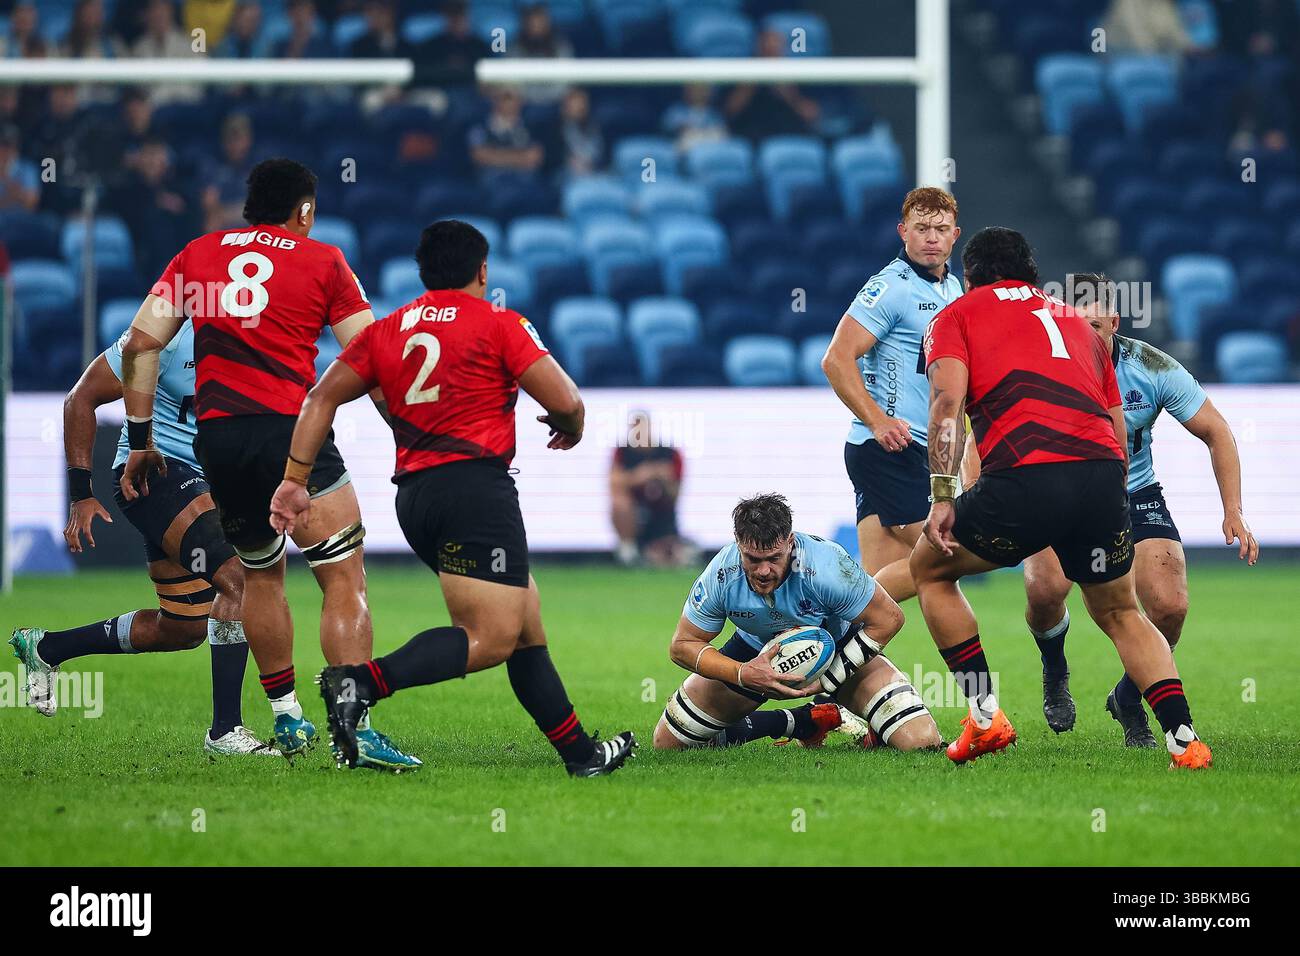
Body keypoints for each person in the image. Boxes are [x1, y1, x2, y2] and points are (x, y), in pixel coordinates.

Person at [269, 219, 636, 778]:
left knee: (524, 622)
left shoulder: (386, 330)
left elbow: (319, 399)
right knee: (490, 638)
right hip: (476, 492)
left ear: (423, 272)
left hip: (416, 498)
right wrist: (572, 424)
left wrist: (295, 478)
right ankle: (359, 682)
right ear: (483, 271)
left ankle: (581, 756)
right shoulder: (500, 323)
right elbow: (566, 398)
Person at [116, 158, 417, 770]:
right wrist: (410, 440)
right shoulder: (324, 260)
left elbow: (140, 343)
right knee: (342, 576)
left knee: (260, 574)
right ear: (303, 210)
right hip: (290, 433)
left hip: (219, 442)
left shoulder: (197, 255)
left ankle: (286, 717)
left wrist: (142, 437)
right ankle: (353, 727)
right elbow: (371, 357)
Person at [910, 226, 1212, 770]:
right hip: (1102, 477)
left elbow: (946, 404)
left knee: (930, 568)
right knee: (1121, 610)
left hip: (1026, 476)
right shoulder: (1076, 322)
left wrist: (941, 495)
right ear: (1031, 272)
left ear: (969, 276)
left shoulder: (955, 315)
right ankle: (1185, 740)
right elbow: (1115, 423)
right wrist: (1105, 495)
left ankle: (984, 717)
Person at [997, 273, 1257, 744]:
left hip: (1131, 494)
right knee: (1044, 589)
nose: (1085, 335)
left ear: (1114, 322)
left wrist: (1233, 510)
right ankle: (1054, 670)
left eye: (1095, 325)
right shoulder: (1037, 366)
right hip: (1057, 495)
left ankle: (1128, 697)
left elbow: (1217, 430)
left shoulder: (1150, 367)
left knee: (1170, 606)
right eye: (1074, 323)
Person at [9, 322, 271, 755]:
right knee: (237, 580)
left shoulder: (264, 340)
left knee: (182, 628)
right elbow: (81, 398)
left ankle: (48, 646)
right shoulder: (163, 338)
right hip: (154, 478)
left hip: (210, 485)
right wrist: (81, 496)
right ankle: (226, 731)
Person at [652, 493, 940, 752]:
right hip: (754, 653)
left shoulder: (827, 567)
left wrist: (829, 679)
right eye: (753, 559)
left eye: (774, 558)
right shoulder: (721, 574)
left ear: (790, 542)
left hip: (838, 647)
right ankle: (800, 720)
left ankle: (872, 726)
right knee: (669, 744)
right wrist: (742, 673)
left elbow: (889, 619)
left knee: (921, 742)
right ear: (739, 546)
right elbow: (682, 645)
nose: (764, 570)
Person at [821, 187, 964, 602]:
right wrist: (877, 420)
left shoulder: (953, 289)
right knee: (946, 553)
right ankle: (826, 620)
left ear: (956, 234)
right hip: (889, 448)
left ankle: (836, 652)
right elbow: (836, 359)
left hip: (911, 448)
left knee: (877, 588)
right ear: (903, 232)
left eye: (940, 229)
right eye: (921, 228)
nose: (931, 237)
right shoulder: (890, 287)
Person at [610, 410, 690, 567]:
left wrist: (663, 477)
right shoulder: (623, 452)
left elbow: (676, 494)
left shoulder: (669, 453)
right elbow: (614, 485)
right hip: (635, 514)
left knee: (669, 558)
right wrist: (638, 477)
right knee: (620, 502)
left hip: (662, 516)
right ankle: (628, 549)